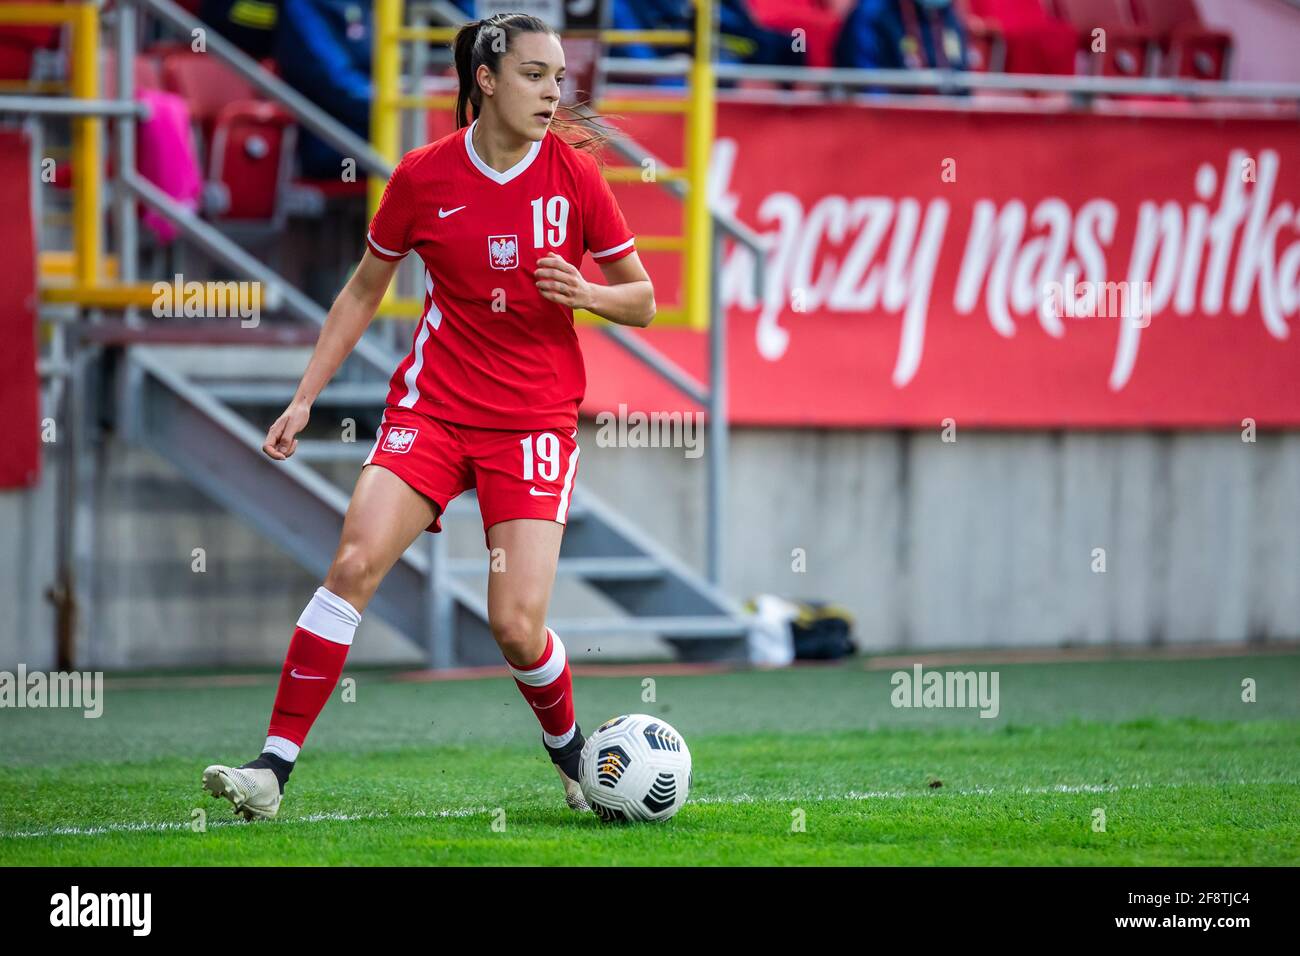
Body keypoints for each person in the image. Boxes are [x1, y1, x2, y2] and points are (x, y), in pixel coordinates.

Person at [201, 12, 656, 820]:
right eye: (535, 75)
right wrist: (305, 395)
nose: (554, 92)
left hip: (533, 422)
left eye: (559, 78)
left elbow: (644, 298)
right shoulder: (422, 176)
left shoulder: (577, 177)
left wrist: (587, 294)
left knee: (516, 628)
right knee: (352, 564)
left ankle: (572, 753)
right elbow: (364, 289)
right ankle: (272, 769)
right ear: (486, 79)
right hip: (434, 410)